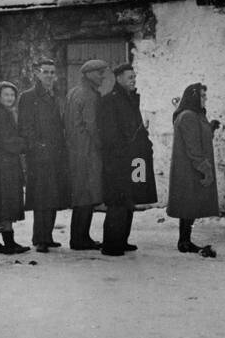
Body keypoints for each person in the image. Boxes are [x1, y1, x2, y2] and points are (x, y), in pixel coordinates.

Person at [18, 59, 69, 253]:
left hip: (55, 154)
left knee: (52, 195)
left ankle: (47, 235)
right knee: (42, 197)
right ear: (37, 74)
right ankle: (39, 238)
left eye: (51, 72)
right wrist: (38, 147)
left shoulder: (54, 96)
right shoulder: (29, 96)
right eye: (45, 72)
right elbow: (25, 126)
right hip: (39, 155)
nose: (49, 75)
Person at [99, 63, 148, 256]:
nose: (133, 80)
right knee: (117, 202)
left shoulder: (130, 99)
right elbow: (109, 133)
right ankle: (111, 245)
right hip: (117, 159)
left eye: (134, 77)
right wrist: (122, 151)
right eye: (130, 77)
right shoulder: (111, 100)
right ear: (118, 78)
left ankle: (122, 240)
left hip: (133, 157)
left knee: (129, 199)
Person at [165, 81, 219, 254]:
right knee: (188, 206)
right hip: (190, 169)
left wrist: (210, 128)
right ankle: (184, 241)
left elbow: (199, 137)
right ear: (194, 97)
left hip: (192, 168)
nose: (205, 99)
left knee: (190, 206)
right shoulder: (188, 116)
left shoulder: (195, 115)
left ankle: (185, 241)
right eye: (202, 96)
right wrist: (206, 169)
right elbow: (193, 148)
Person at [65, 59, 110, 250]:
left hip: (76, 150)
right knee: (87, 194)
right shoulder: (89, 95)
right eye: (100, 73)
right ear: (90, 74)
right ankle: (79, 239)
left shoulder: (74, 91)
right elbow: (92, 125)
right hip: (88, 150)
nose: (102, 77)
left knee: (82, 194)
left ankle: (80, 237)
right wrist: (103, 146)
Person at [0, 81, 28, 255]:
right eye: (6, 95)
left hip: (3, 163)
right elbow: (6, 141)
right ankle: (8, 243)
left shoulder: (6, 113)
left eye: (12, 95)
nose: (10, 98)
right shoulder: (2, 115)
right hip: (4, 164)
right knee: (5, 202)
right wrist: (25, 144)